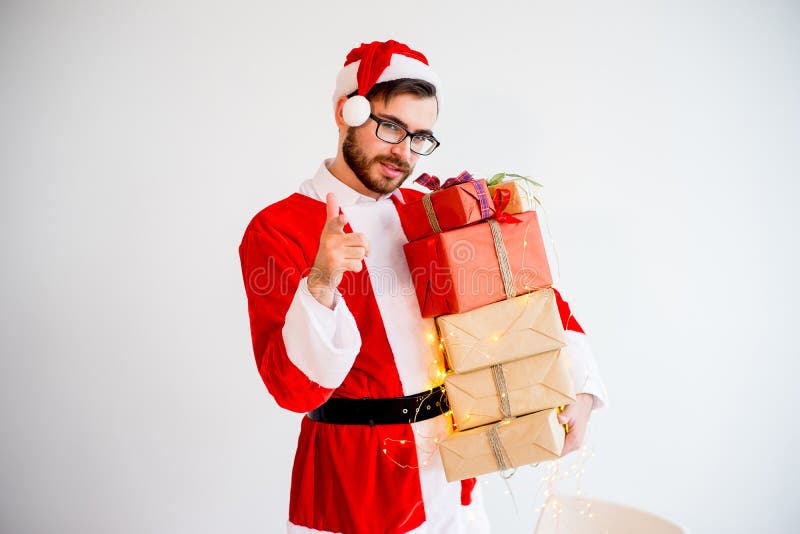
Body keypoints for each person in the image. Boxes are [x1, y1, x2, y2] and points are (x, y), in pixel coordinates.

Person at [238, 40, 608, 534]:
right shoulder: (277, 228)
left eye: (419, 137)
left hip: (453, 469)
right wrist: (322, 280)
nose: (403, 152)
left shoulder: (432, 210)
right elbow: (292, 390)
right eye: (391, 127)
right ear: (345, 113)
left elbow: (528, 299)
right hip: (356, 486)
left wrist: (580, 389)